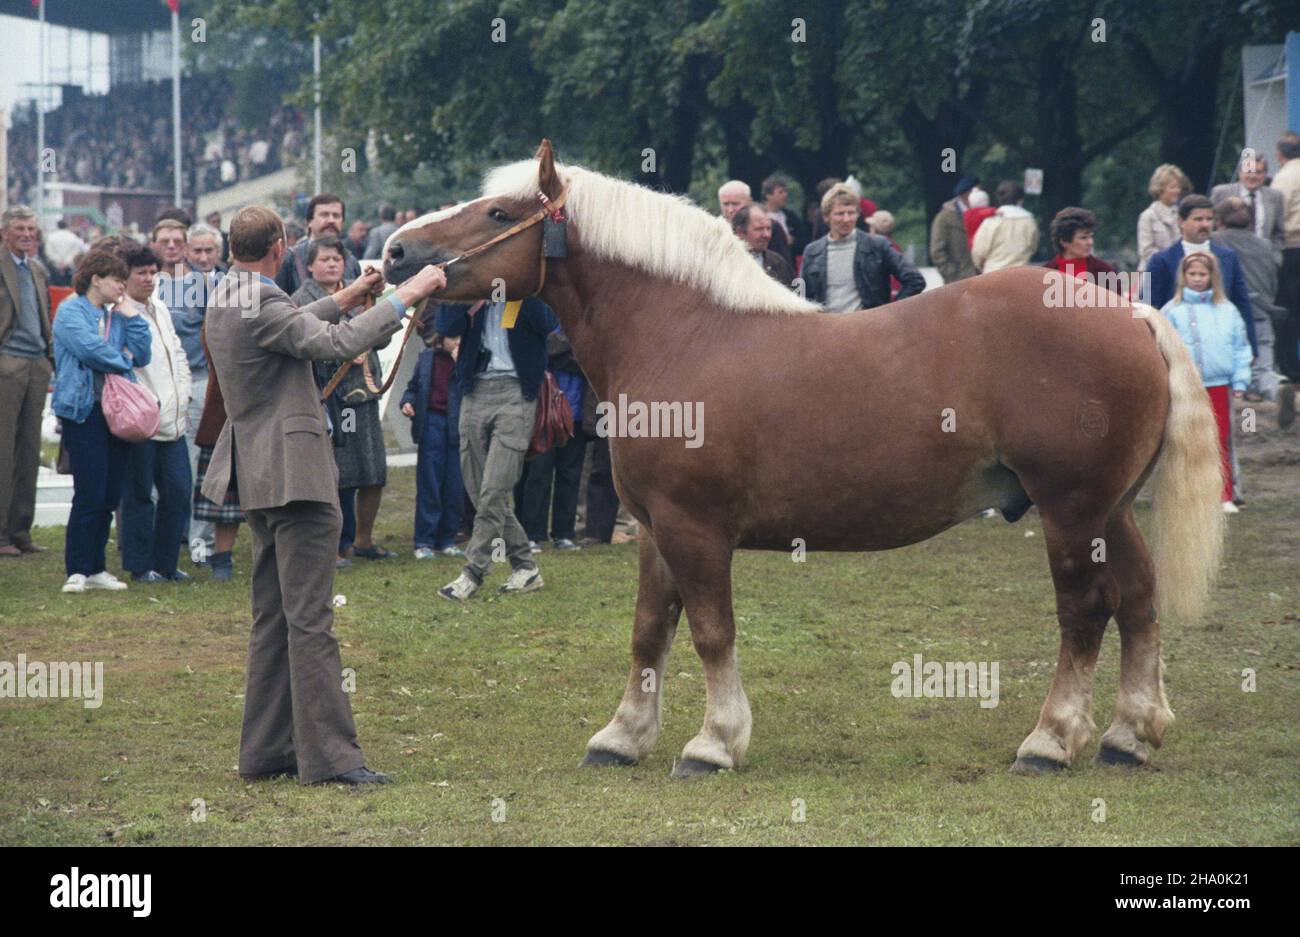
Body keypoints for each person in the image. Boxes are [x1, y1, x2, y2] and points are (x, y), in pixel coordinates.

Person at [201, 204, 445, 785]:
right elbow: (336, 343)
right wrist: (405, 295)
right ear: (281, 247)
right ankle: (332, 760)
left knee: (274, 619)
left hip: (257, 474)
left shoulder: (227, 296)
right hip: (297, 476)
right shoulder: (262, 301)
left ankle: (264, 752)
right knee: (311, 623)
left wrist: (352, 291)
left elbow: (295, 323)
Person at [434, 296, 558, 601]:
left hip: (517, 393)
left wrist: (516, 289)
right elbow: (445, 326)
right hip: (474, 391)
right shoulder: (474, 294)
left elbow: (547, 323)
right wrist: (469, 291)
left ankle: (473, 572)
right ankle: (526, 568)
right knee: (480, 491)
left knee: (494, 490)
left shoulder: (526, 292)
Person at [292, 236, 395, 566]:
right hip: (328, 395)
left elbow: (383, 336)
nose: (332, 264)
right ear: (309, 266)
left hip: (363, 393)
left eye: (337, 258)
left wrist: (370, 315)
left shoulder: (362, 293)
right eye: (324, 259)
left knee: (373, 469)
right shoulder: (301, 300)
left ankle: (363, 539)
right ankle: (334, 545)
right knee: (339, 473)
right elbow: (306, 344)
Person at [52, 250, 151, 593]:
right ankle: (77, 567)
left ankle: (96, 567)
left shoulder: (119, 314)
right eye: (117, 280)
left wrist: (132, 316)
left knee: (110, 492)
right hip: (83, 411)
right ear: (96, 278)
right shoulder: (70, 311)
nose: (123, 286)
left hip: (116, 412)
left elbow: (143, 352)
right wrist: (122, 360)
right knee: (89, 491)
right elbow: (89, 349)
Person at [116, 245, 193, 583]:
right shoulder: (118, 313)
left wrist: (185, 392)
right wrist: (146, 403)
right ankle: (138, 564)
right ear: (125, 276)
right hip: (140, 420)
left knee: (178, 491)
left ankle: (166, 562)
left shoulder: (160, 307)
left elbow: (177, 354)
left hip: (173, 419)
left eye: (153, 272)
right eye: (141, 273)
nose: (149, 279)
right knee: (138, 495)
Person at [1158, 252, 1251, 512]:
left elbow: (1240, 347)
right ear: (1183, 277)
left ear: (1212, 277)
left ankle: (1224, 495)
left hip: (1220, 384)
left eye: (1202, 274)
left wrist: (1241, 381)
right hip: (1187, 386)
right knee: (1186, 440)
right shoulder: (1171, 311)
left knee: (1220, 440)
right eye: (1192, 274)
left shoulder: (1227, 311)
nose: (1197, 279)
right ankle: (1187, 496)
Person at [0, 206, 54, 558]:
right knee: (3, 450)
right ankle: (1, 534)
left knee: (29, 450)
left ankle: (21, 530)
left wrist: (48, 360)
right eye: (20, 228)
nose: (27, 234)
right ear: (5, 232)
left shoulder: (36, 269)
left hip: (37, 363)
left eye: (32, 228)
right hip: (8, 361)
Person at [1146, 195, 1258, 357]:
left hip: (1220, 349)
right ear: (1181, 222)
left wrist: (1251, 347)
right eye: (1198, 219)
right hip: (1177, 349)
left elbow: (1242, 303)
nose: (1205, 224)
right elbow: (1147, 306)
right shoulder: (1160, 260)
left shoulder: (1228, 257)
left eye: (1209, 219)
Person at [1211, 196, 1291, 412]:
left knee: (1229, 364)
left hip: (1230, 315)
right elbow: (1274, 278)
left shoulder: (1215, 241)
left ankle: (1243, 396)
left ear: (1219, 220)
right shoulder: (1265, 245)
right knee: (1263, 365)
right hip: (1263, 311)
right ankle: (1275, 390)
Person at [801, 183, 925, 312]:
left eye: (851, 213)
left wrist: (891, 313)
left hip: (870, 329)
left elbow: (915, 280)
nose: (846, 219)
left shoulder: (877, 245)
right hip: (827, 328)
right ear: (826, 217)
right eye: (840, 214)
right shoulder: (812, 252)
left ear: (858, 214)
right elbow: (802, 299)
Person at [517, 327, 587, 552]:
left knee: (570, 474)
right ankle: (532, 533)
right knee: (539, 473)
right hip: (545, 410)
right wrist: (570, 346)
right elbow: (544, 347)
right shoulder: (545, 317)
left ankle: (564, 533)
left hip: (575, 411)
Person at [400, 332, 464, 558]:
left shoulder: (468, 359)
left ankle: (447, 539)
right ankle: (424, 541)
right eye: (453, 337)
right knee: (430, 483)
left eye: (461, 337)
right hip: (432, 423)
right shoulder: (427, 358)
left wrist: (462, 365)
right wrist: (407, 402)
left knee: (454, 485)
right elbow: (413, 387)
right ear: (441, 337)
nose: (457, 342)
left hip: (458, 425)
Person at [275, 193, 362, 295]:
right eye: (324, 215)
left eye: (336, 216)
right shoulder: (289, 259)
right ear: (309, 221)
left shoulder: (350, 261)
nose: (331, 220)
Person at [1211, 153, 1285, 254]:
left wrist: (1274, 257)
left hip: (1260, 258)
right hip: (1228, 254)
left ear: (1265, 174)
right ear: (1240, 172)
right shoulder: (1221, 192)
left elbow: (1279, 233)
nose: (1253, 176)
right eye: (1248, 171)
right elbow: (1211, 225)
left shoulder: (1275, 196)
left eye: (1258, 172)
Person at [1272, 131, 1300, 381]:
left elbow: (1276, 211)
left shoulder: (1286, 176)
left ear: (1279, 154)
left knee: (1287, 310)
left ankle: (1290, 369)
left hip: (1291, 248)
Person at [971, 181, 1039, 273]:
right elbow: (1032, 248)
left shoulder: (991, 221)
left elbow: (978, 252)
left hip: (992, 276)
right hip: (1019, 276)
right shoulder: (1029, 221)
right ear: (1020, 199)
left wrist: (980, 268)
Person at [1137, 164, 1191, 271]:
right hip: (1153, 273)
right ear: (1160, 189)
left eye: (1178, 187)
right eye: (1172, 187)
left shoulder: (1182, 215)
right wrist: (1171, 260)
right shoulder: (1147, 216)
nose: (1177, 191)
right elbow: (1146, 252)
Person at [1042, 207, 1118, 281]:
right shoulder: (1043, 273)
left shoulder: (1106, 272)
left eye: (1091, 236)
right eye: (1083, 238)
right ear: (1064, 241)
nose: (1090, 242)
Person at [929, 175, 980, 283]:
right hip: (958, 281)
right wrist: (951, 275)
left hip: (982, 279)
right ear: (966, 193)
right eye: (976, 192)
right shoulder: (945, 218)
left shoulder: (983, 214)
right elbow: (937, 252)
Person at [732, 204, 796, 287]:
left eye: (768, 229)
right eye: (759, 229)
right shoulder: (726, 263)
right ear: (740, 232)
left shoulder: (778, 263)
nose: (766, 235)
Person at [761, 174, 802, 263]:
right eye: (781, 192)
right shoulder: (759, 216)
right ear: (768, 195)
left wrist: (793, 241)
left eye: (785, 191)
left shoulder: (791, 216)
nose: (785, 195)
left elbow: (803, 240)